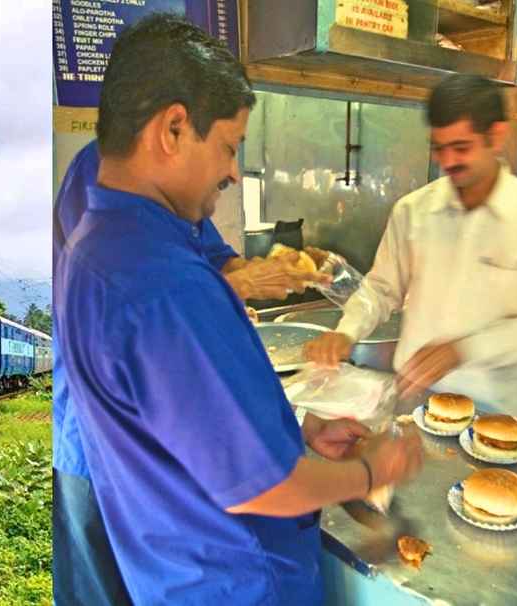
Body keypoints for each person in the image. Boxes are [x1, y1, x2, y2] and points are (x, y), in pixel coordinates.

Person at [55, 14, 423, 605]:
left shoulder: (101, 243)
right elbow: (263, 488)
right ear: (173, 128)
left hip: (173, 574)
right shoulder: (165, 285)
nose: (232, 170)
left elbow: (183, 421)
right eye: (228, 146)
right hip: (237, 582)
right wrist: (373, 469)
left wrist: (296, 432)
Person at [52, 141, 325, 604]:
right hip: (100, 440)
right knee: (103, 587)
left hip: (164, 430)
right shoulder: (103, 168)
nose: (232, 171)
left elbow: (212, 254)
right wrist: (238, 285)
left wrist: (265, 269)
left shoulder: (176, 183)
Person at [304, 74, 517, 419]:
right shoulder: (413, 211)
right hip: (414, 398)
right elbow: (382, 289)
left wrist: (462, 350)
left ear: (496, 136)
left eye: (461, 147)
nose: (448, 161)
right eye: (439, 148)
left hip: (491, 409)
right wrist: (347, 331)